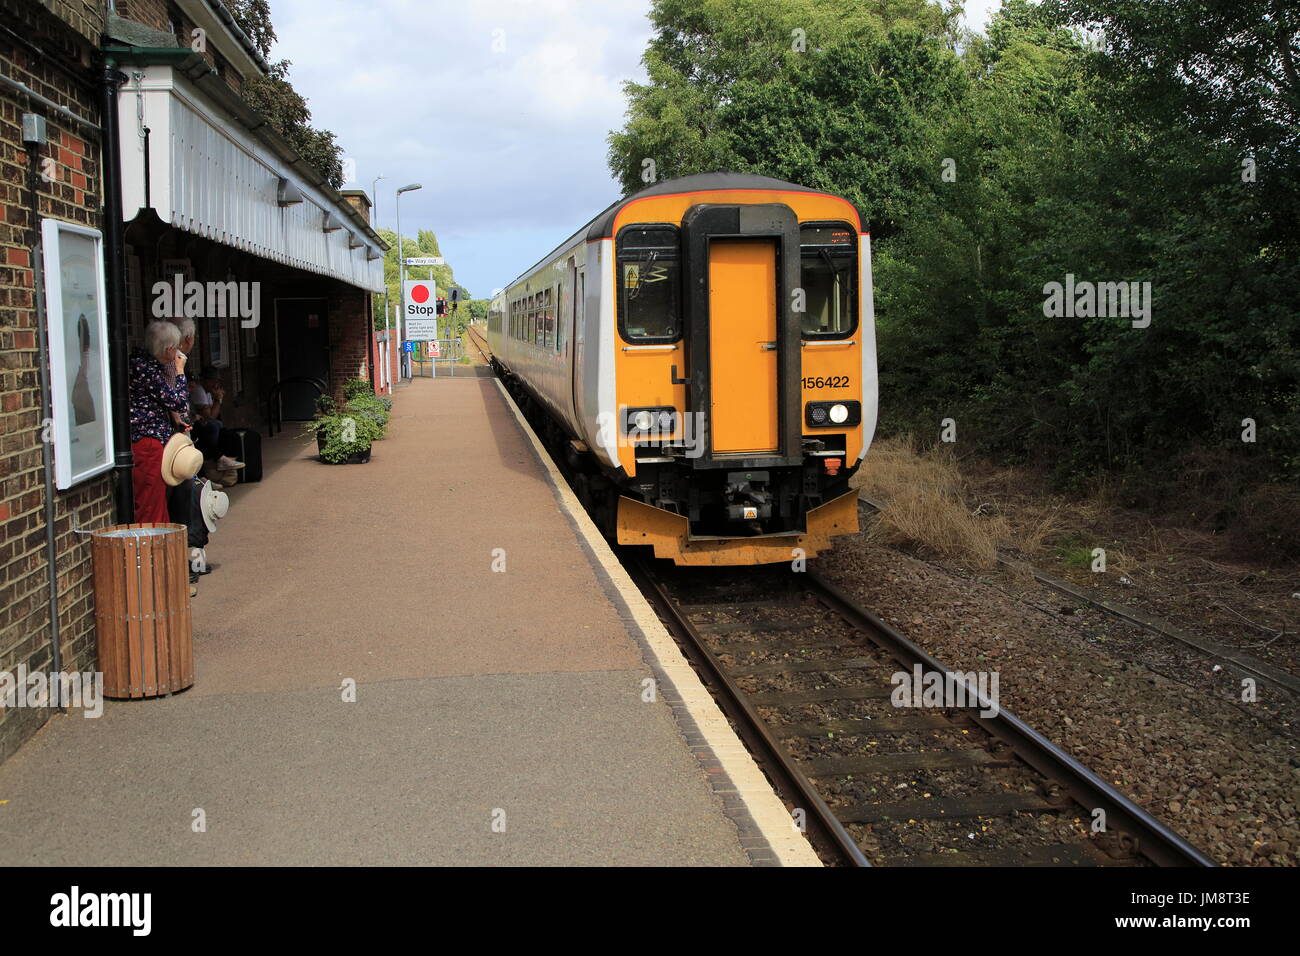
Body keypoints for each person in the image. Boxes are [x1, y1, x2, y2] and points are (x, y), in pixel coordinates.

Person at [129, 321, 190, 524]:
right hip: (146, 443)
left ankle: (159, 550)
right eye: (176, 347)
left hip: (150, 439)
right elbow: (179, 401)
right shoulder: (145, 368)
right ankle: (152, 553)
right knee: (151, 503)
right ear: (169, 349)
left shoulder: (144, 364)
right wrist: (180, 371)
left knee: (157, 500)